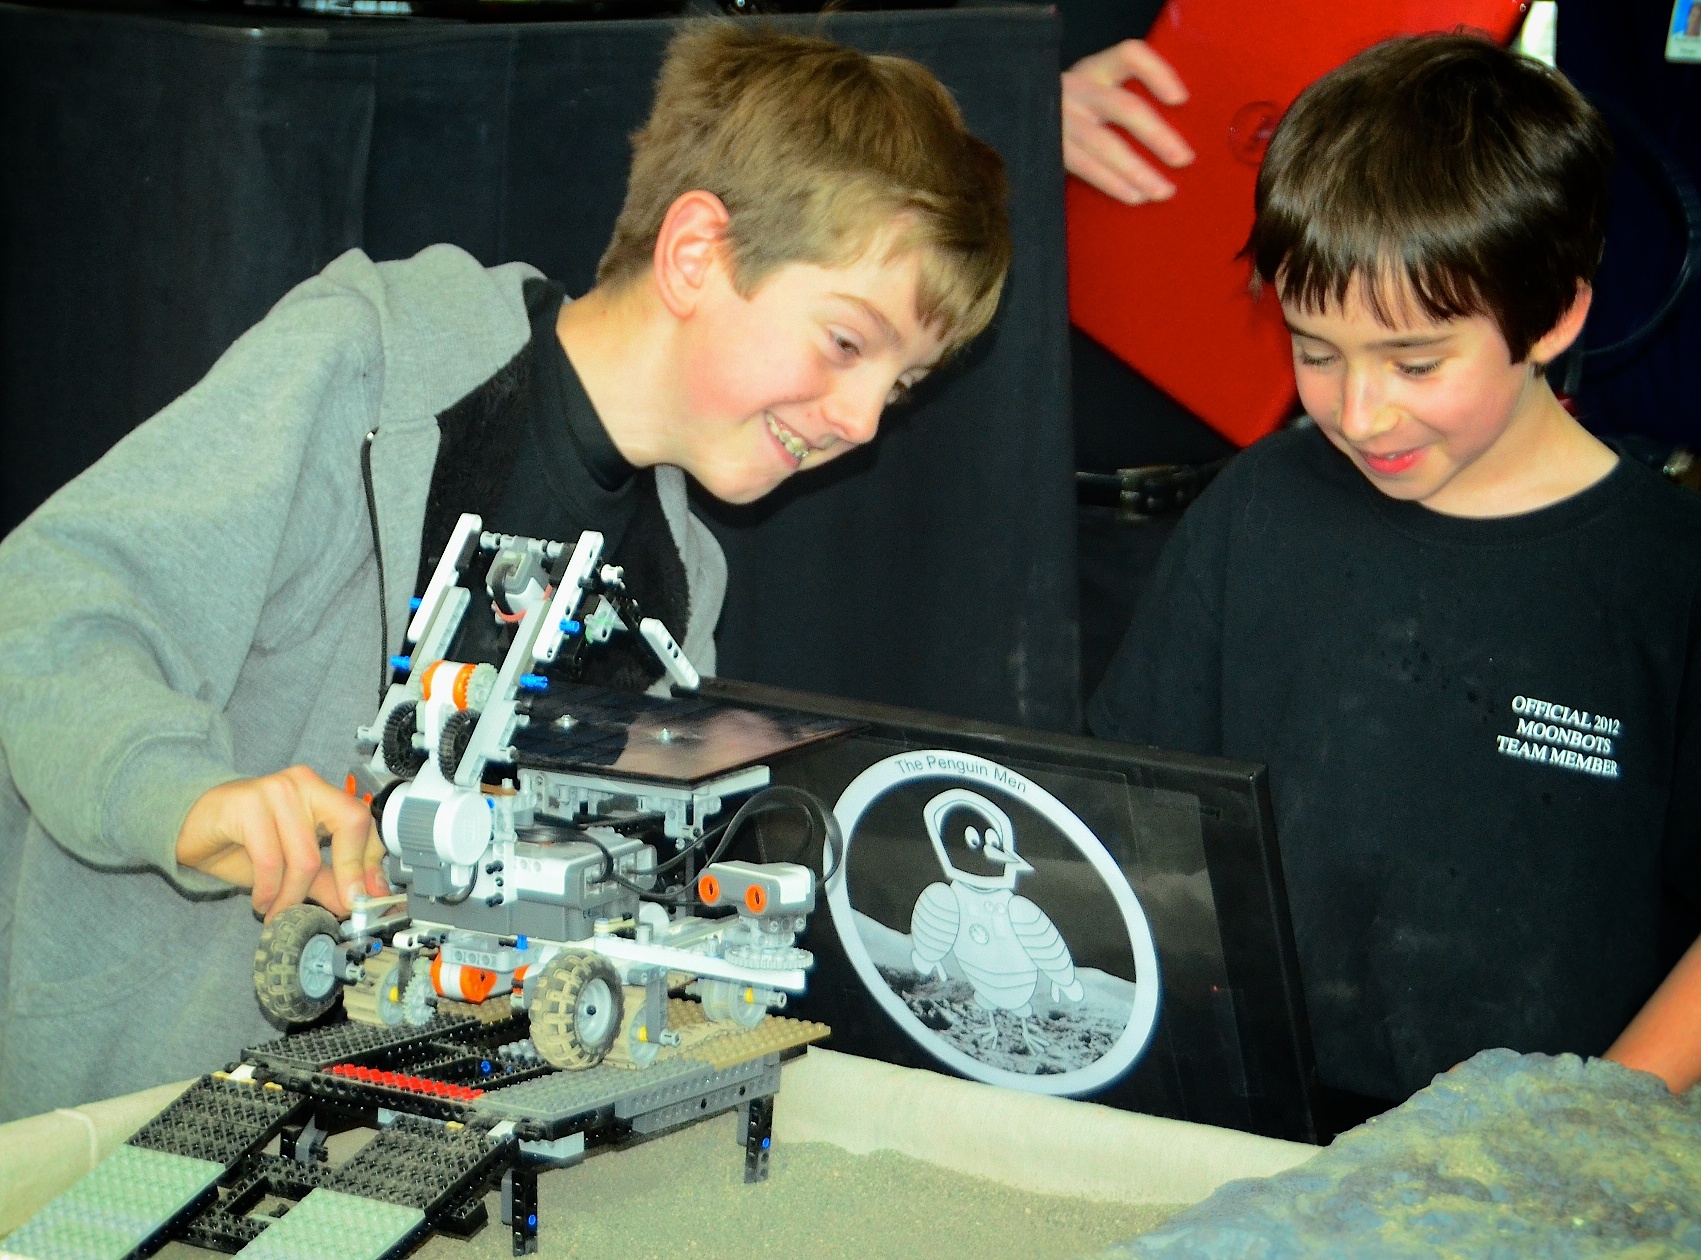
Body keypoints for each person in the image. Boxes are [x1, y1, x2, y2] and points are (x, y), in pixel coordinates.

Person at [0, 23, 1010, 1119]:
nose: (862, 421)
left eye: (900, 387)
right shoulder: (378, 364)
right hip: (132, 1121)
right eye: (848, 345)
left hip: (414, 1140)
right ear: (695, 256)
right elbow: (50, 603)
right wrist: (185, 797)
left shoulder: (681, 589)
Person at [1087, 34, 1701, 1124]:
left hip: (1550, 1149)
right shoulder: (1256, 511)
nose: (1359, 412)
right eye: (1314, 350)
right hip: (1258, 1121)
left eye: (1416, 362)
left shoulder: (1668, 572)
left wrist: (1608, 1105)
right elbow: (1137, 814)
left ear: (1556, 315)